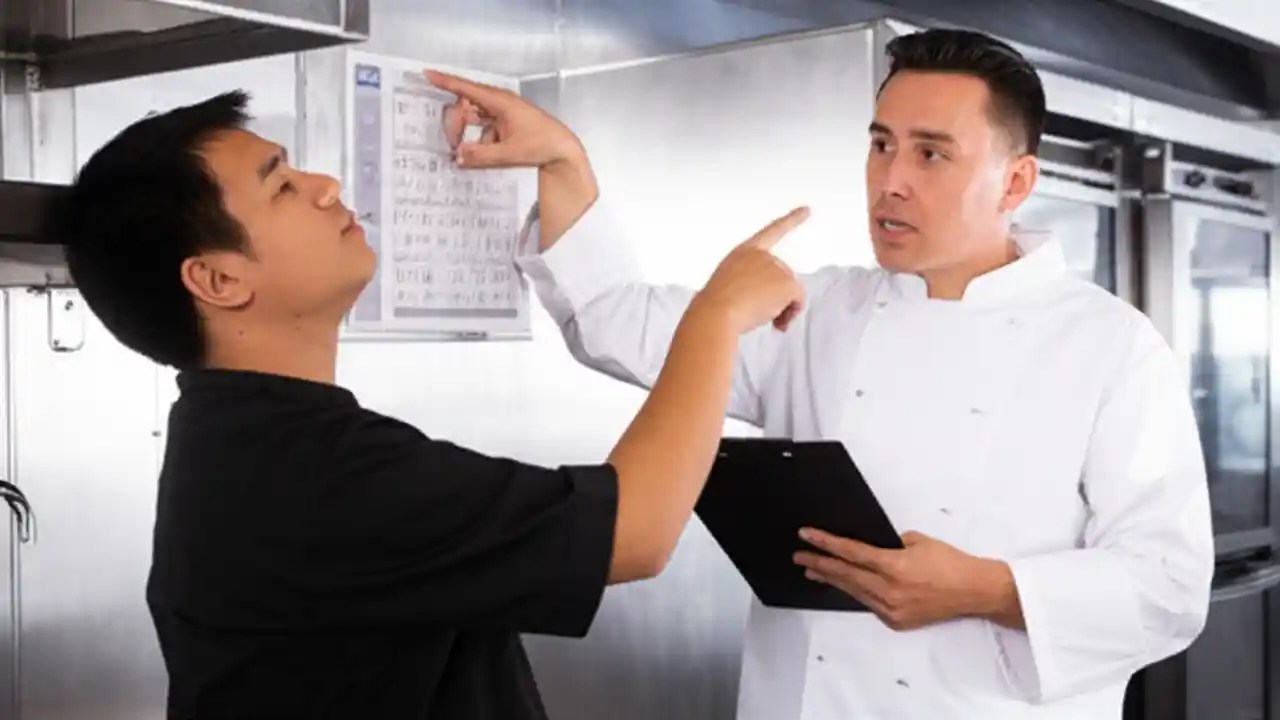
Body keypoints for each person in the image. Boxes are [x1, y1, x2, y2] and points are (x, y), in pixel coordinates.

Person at [431, 27, 1216, 720]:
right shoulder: (817, 307)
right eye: (881, 145)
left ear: (1015, 182)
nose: (890, 181)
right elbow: (614, 318)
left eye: (931, 153)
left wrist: (986, 588)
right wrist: (565, 160)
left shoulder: (1110, 346)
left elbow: (1170, 587)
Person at [44, 89, 810, 718]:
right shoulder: (311, 474)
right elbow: (636, 531)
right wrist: (716, 316)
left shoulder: (251, 443)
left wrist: (563, 161)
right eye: (280, 185)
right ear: (216, 281)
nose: (325, 187)